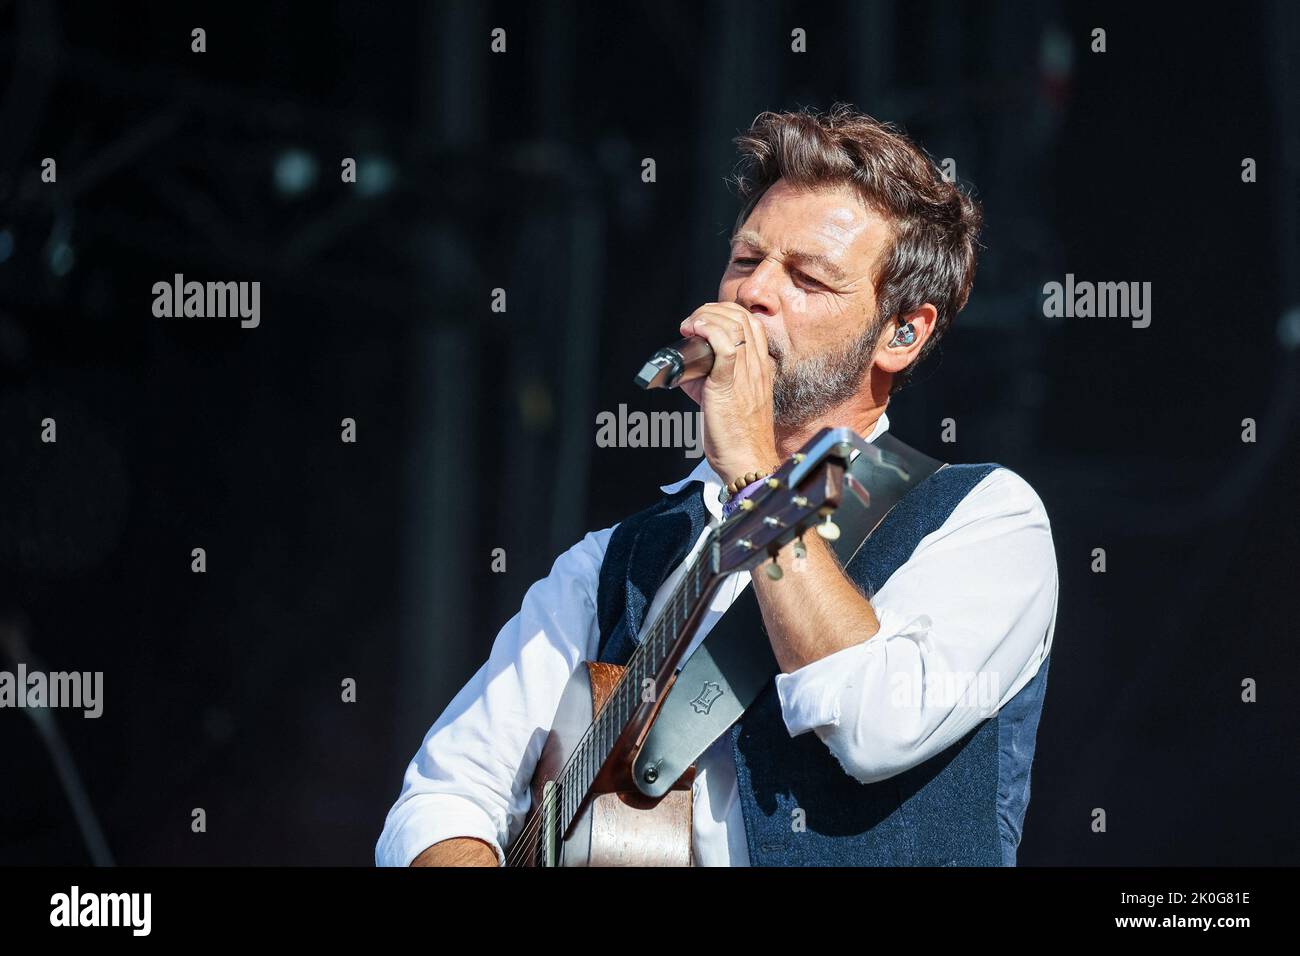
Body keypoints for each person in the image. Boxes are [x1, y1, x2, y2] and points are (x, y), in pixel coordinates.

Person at [377, 103, 1058, 867]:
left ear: (902, 333)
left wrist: (754, 470)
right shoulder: (611, 563)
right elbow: (442, 798)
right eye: (745, 260)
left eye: (806, 277)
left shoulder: (983, 521)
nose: (754, 292)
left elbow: (873, 727)